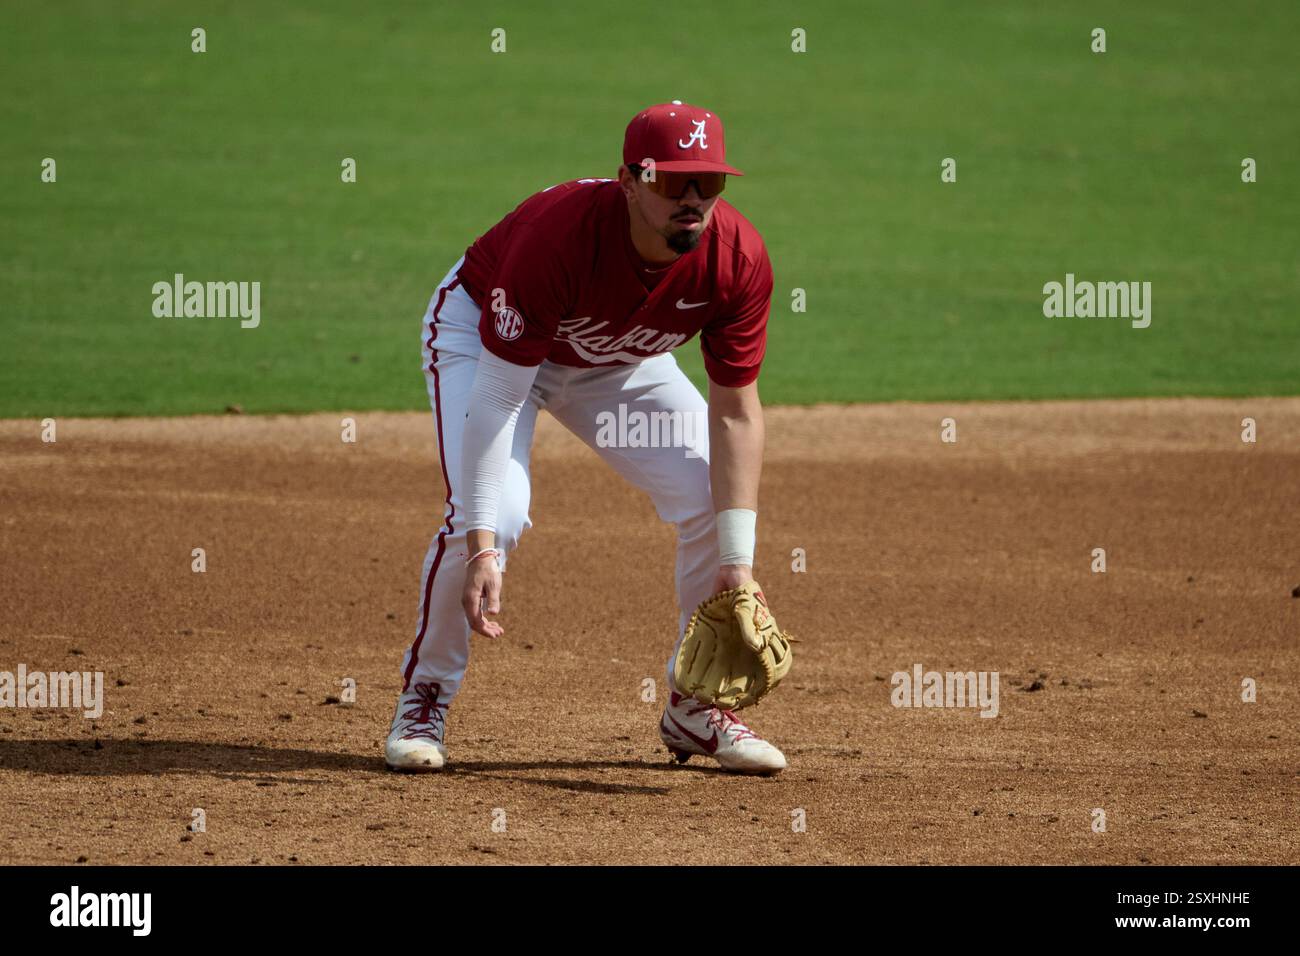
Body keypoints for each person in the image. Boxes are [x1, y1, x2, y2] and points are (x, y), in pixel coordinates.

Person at [385, 100, 785, 775]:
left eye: (708, 183)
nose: (692, 200)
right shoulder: (558, 239)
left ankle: (695, 707)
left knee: (710, 503)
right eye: (671, 182)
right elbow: (497, 397)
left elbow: (736, 411)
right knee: (494, 515)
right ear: (628, 180)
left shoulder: (735, 258)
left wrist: (737, 563)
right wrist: (483, 541)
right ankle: (426, 695)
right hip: (489, 346)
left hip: (614, 361)